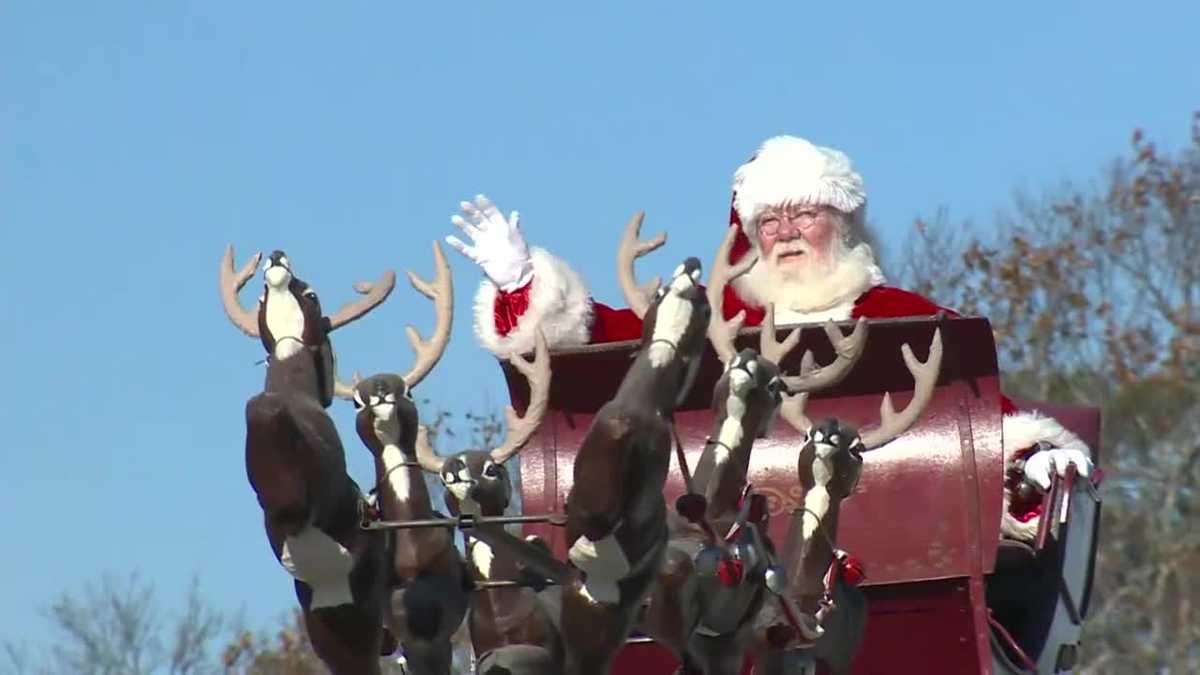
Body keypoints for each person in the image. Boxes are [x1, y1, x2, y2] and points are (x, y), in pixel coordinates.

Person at [445, 135, 1091, 541]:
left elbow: (966, 408)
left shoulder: (899, 315)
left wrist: (1025, 453)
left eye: (803, 213)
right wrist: (524, 281)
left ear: (840, 221)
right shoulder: (716, 324)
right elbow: (612, 352)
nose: (785, 233)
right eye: (769, 220)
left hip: (891, 534)